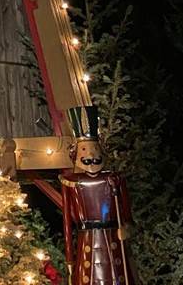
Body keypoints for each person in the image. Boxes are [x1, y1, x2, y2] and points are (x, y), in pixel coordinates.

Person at [60, 106, 136, 285]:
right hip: (87, 240)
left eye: (94, 148)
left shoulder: (114, 179)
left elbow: (126, 213)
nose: (91, 155)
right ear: (76, 153)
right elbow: (66, 223)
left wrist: (127, 227)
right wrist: (69, 259)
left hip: (113, 238)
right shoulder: (70, 181)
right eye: (85, 150)